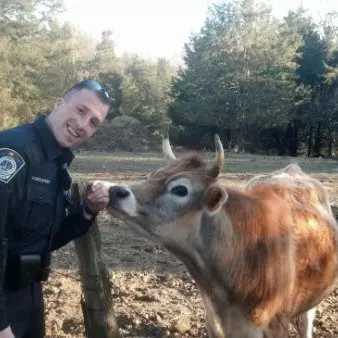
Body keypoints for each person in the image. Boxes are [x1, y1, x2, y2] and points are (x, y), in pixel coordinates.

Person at [0, 79, 111, 338]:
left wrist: (87, 211)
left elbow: (41, 238)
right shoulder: (13, 152)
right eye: (81, 110)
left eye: (94, 122)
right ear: (59, 103)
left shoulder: (56, 163)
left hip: (29, 296)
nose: (83, 125)